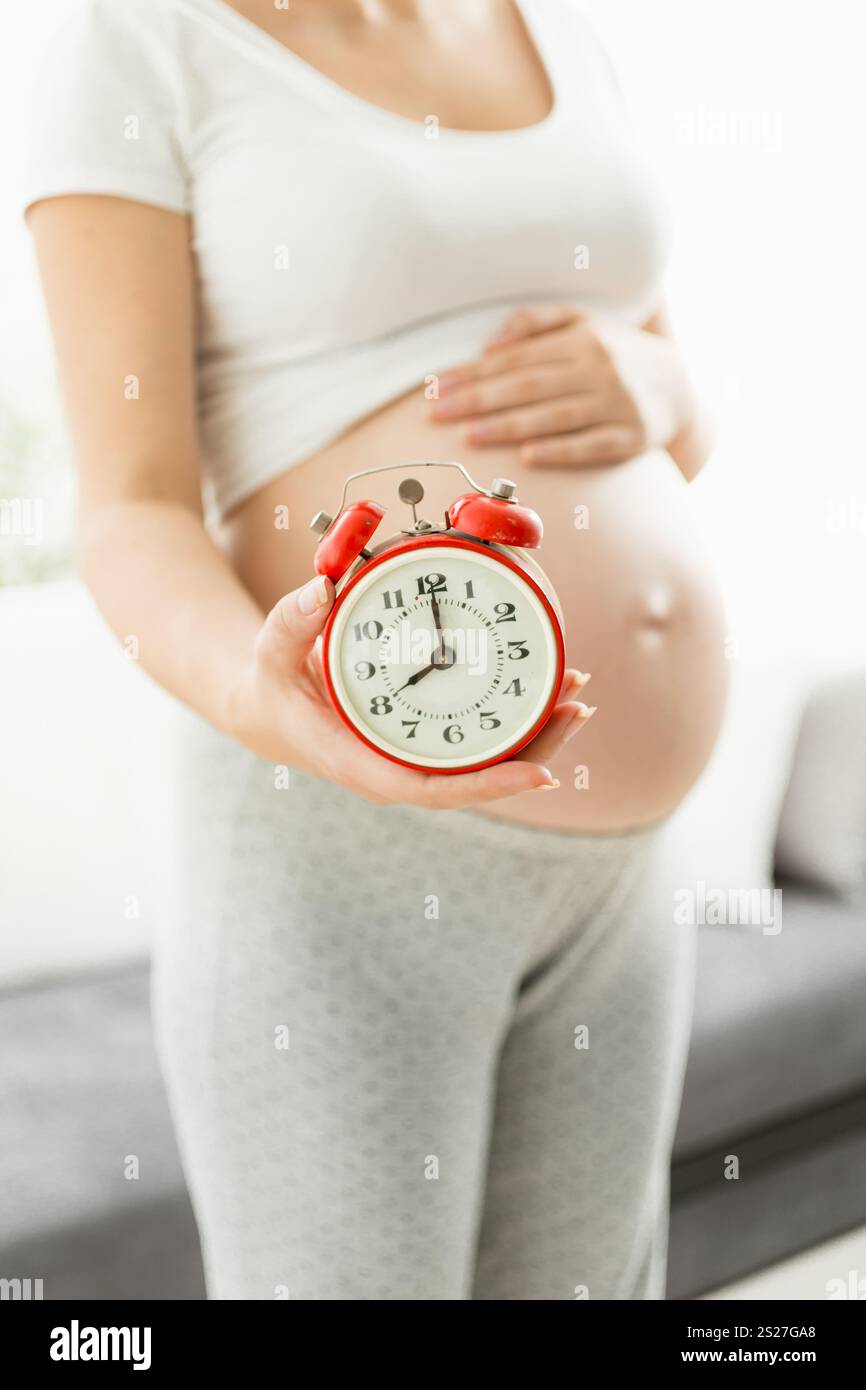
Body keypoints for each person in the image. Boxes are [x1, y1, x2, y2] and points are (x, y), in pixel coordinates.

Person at [24, 0, 727, 1299]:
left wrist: (668, 387)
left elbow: (671, 402)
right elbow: (126, 509)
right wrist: (264, 695)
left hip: (618, 860)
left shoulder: (552, 23)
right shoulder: (136, 43)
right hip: (335, 835)